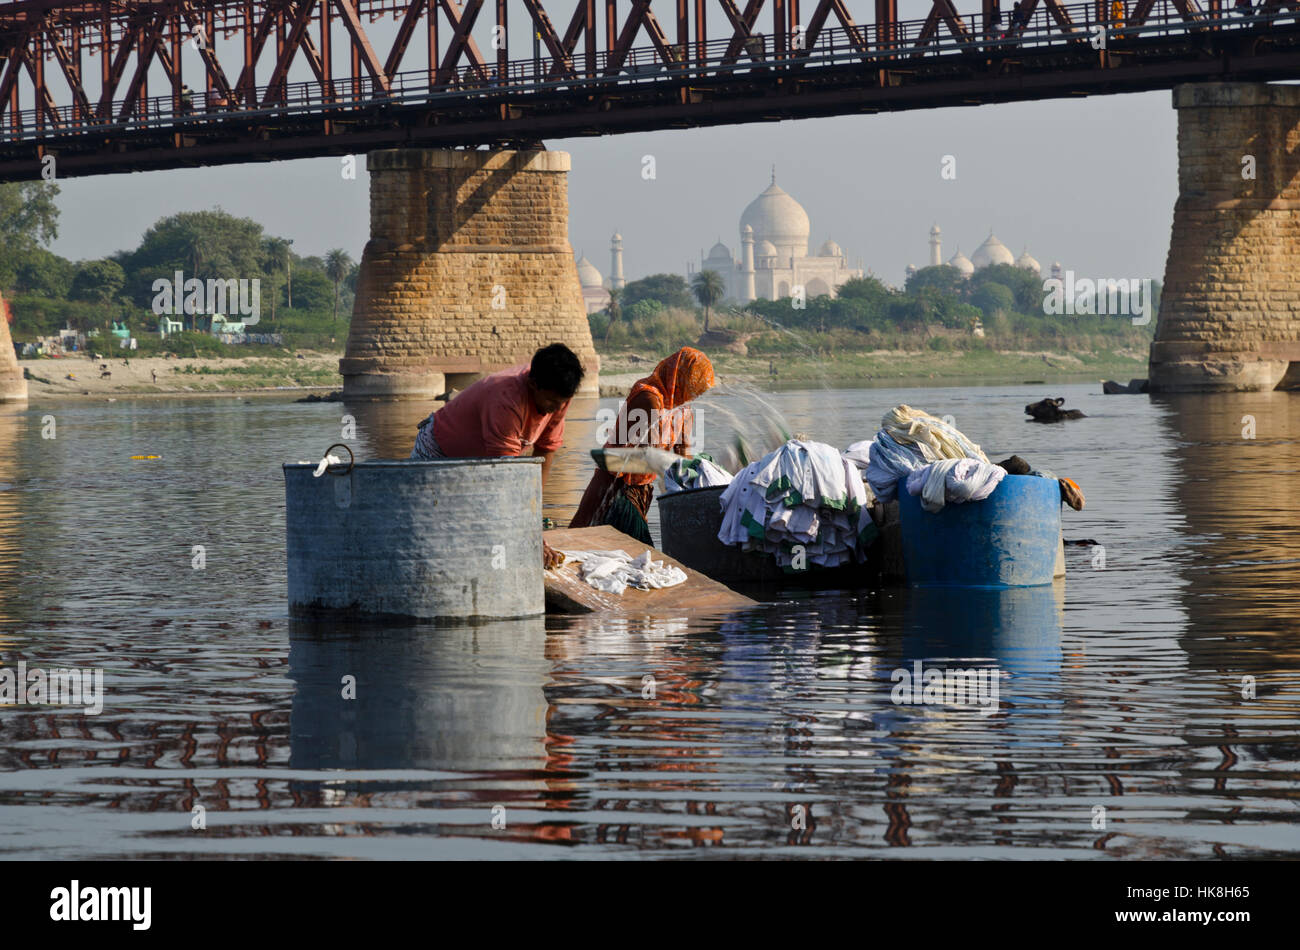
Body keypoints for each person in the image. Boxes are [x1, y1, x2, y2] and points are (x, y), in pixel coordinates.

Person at [570, 347, 716, 544]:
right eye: (693, 388)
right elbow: (623, 457)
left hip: (642, 490)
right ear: (679, 378)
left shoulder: (683, 409)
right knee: (635, 550)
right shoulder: (648, 399)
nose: (694, 396)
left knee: (618, 551)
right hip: (617, 486)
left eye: (698, 391)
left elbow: (682, 455)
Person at [409, 343, 583, 492]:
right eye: (551, 400)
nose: (558, 408)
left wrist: (535, 501)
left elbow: (545, 450)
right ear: (532, 385)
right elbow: (504, 468)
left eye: (563, 402)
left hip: (480, 458)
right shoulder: (506, 399)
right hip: (437, 450)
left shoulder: (560, 398)